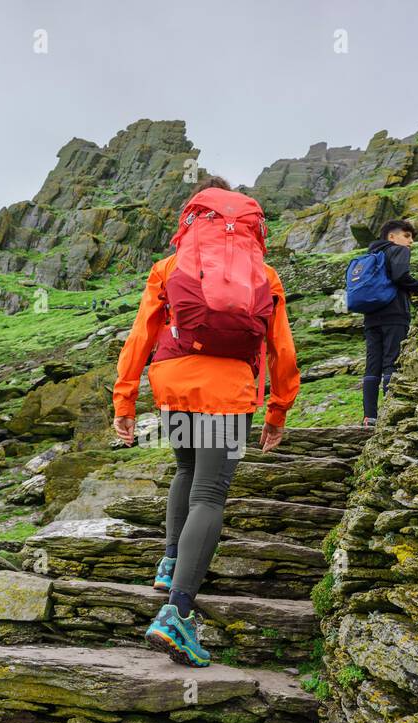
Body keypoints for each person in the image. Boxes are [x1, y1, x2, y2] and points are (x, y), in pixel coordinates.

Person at [112, 175, 300, 668]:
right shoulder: (264, 274)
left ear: (194, 217)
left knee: (186, 471)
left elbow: (140, 335)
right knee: (210, 494)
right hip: (227, 389)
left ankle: (171, 559)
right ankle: (177, 611)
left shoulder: (169, 266)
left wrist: (125, 401)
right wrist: (278, 409)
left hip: (174, 381)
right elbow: (282, 349)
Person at [359, 219, 418, 425]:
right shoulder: (399, 251)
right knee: (391, 363)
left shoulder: (371, 255)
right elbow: (400, 275)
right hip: (394, 314)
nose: (411, 241)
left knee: (372, 366)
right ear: (391, 237)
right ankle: (388, 414)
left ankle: (370, 416)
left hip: (371, 317)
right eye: (407, 236)